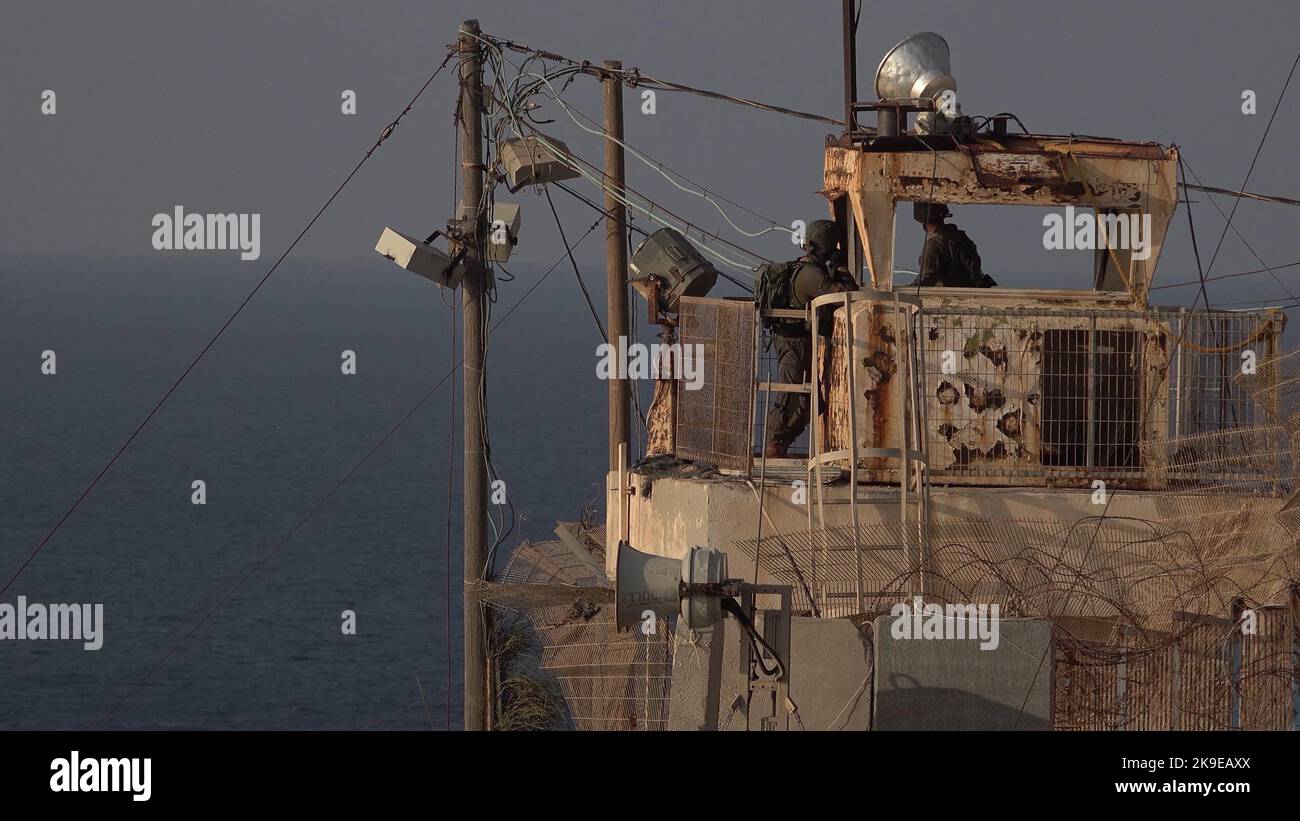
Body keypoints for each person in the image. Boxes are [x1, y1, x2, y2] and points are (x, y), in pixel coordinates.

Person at [763, 219, 856, 459]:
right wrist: (842, 269)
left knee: (809, 401)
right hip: (794, 343)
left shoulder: (807, 268)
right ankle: (774, 445)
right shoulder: (811, 274)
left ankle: (780, 443)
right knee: (789, 395)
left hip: (798, 342)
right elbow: (847, 296)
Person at [913, 202, 996, 288]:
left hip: (947, 299)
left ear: (922, 221)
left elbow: (926, 279)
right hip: (971, 296)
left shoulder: (933, 244)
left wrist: (907, 289)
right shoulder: (963, 238)